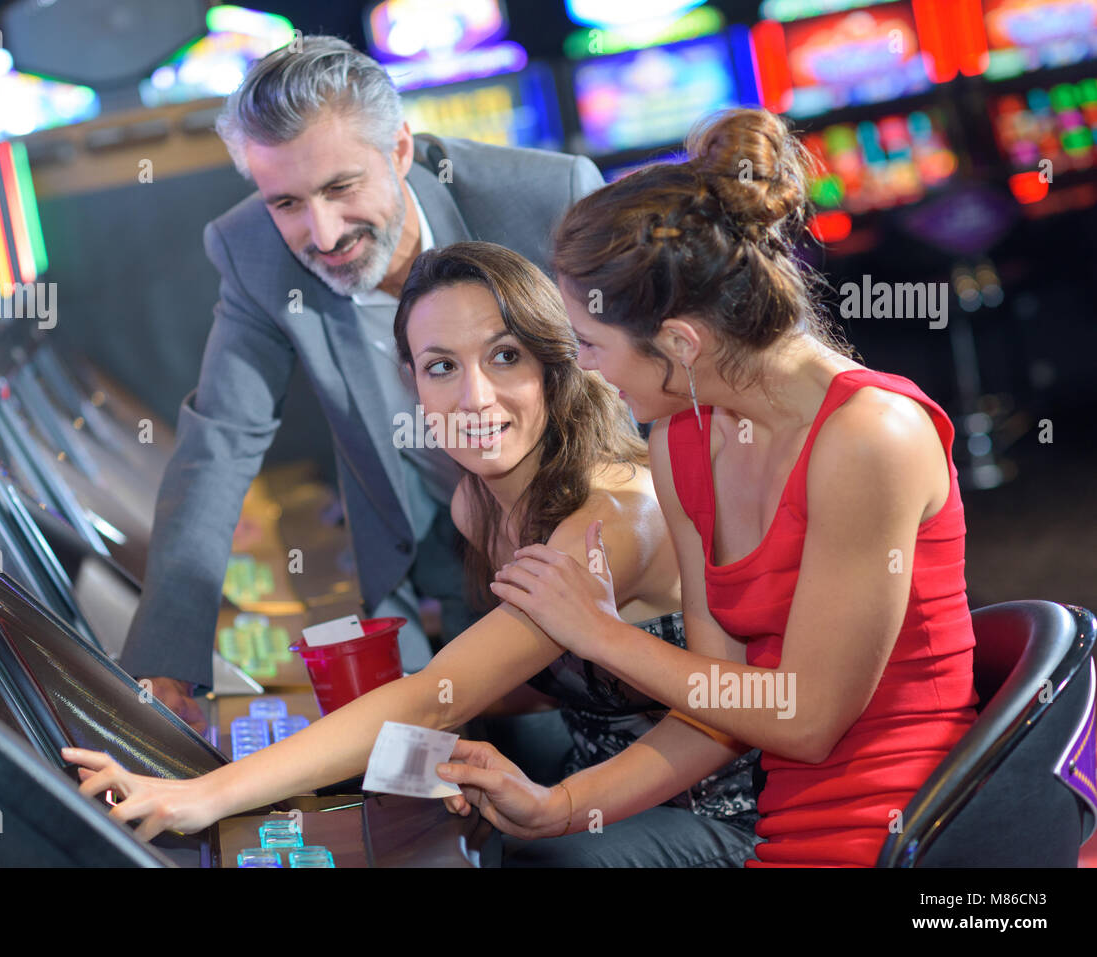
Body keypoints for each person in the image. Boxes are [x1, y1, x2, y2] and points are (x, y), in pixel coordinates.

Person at [66, 242, 759, 867]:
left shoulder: (612, 516)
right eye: (441, 368)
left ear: (557, 362)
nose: (474, 396)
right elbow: (528, 681)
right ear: (412, 384)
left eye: (505, 356)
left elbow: (434, 696)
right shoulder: (475, 505)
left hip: (720, 816)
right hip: (601, 782)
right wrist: (408, 731)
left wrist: (197, 797)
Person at [436, 108, 979, 868]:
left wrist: (601, 634)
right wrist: (558, 806)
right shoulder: (683, 438)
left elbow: (806, 717)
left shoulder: (870, 437)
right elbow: (718, 708)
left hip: (911, 837)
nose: (584, 369)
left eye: (592, 344)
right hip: (784, 827)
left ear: (681, 345)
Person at [120, 36, 606, 732]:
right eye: (285, 201)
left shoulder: (540, 199)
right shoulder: (254, 251)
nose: (321, 233)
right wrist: (165, 662)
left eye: (341, 187)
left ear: (401, 150)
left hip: (594, 542)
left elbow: (639, 395)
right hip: (444, 564)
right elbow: (218, 445)